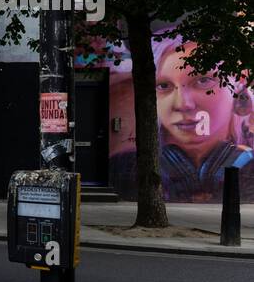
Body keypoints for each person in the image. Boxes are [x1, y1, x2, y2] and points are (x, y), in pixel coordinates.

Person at [109, 39, 254, 202]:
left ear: (239, 84)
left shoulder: (250, 166)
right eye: (163, 86)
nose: (182, 104)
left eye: (203, 81)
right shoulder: (125, 165)